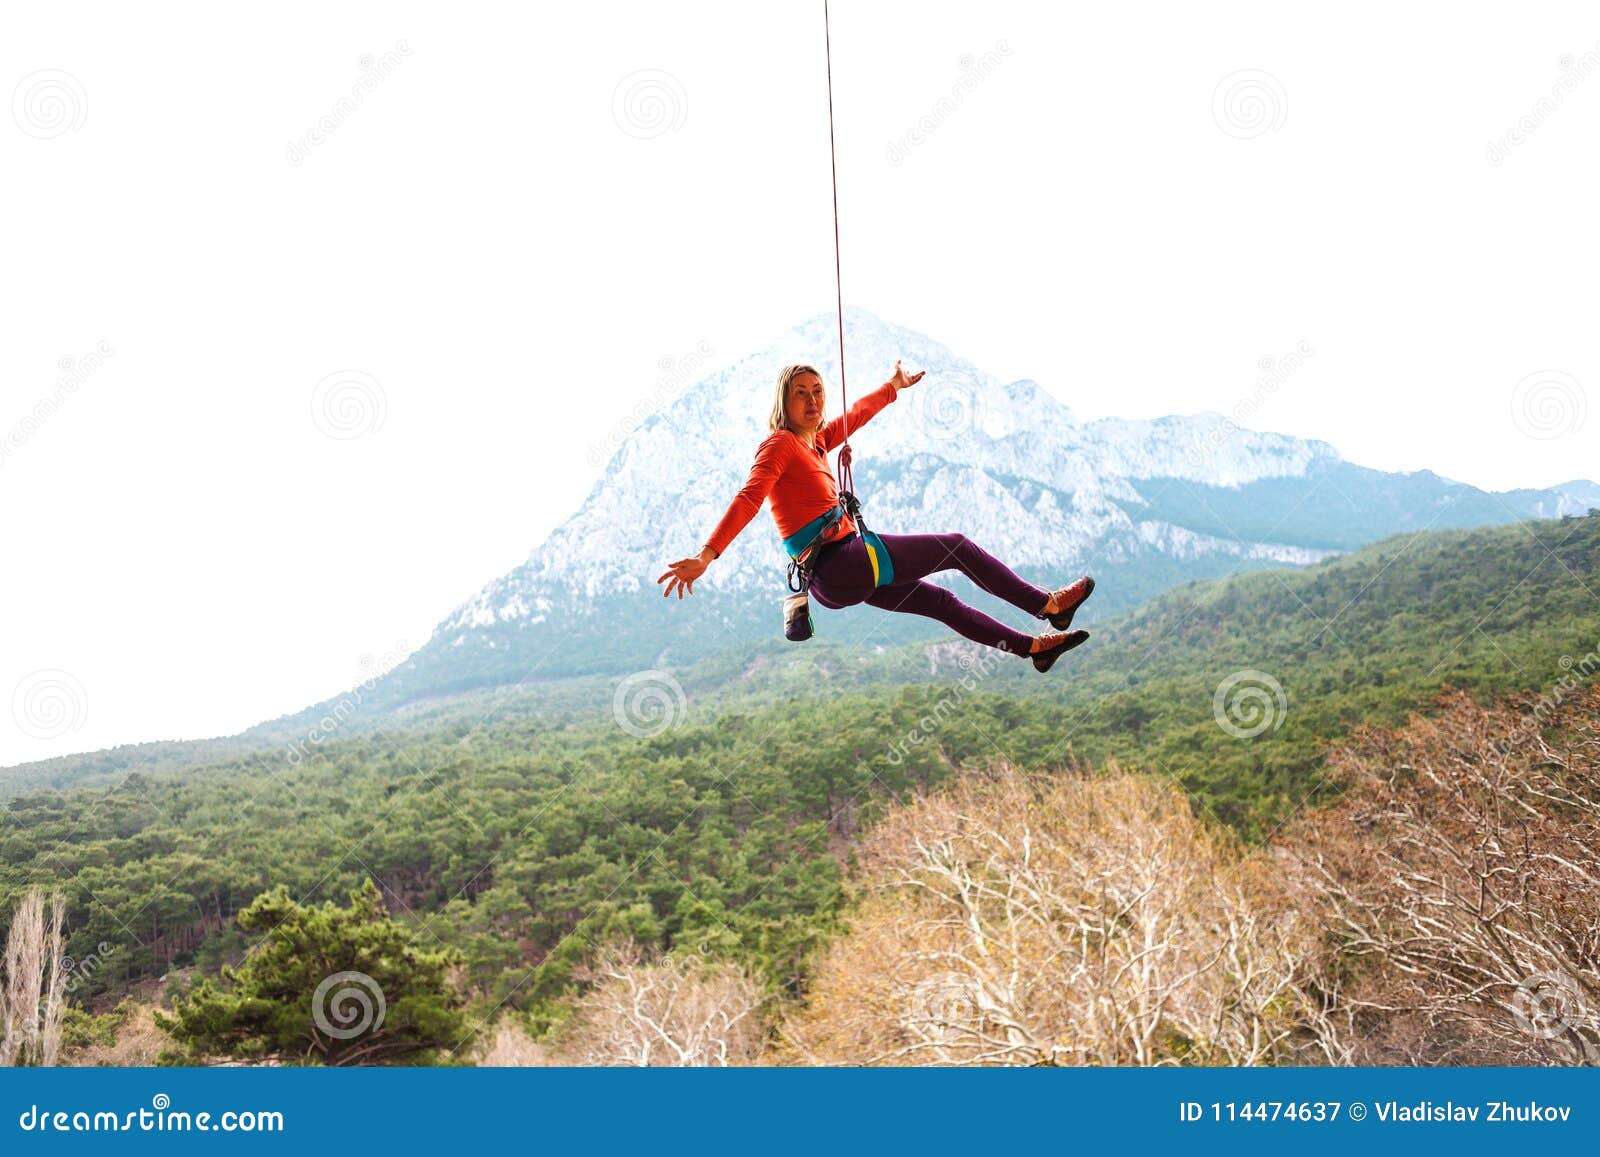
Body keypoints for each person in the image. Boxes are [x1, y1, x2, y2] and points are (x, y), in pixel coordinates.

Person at [656, 361, 1094, 672]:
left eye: (818, 392)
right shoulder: (780, 445)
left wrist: (893, 386)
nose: (812, 400)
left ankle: (1033, 648)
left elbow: (855, 415)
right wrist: (707, 556)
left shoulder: (818, 443)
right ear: (783, 403)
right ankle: (1048, 605)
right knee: (956, 547)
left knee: (943, 603)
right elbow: (750, 497)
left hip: (838, 578)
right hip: (842, 560)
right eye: (800, 393)